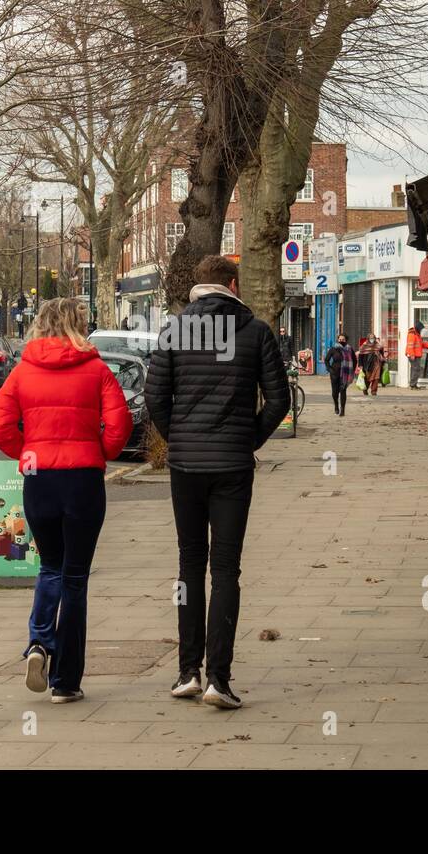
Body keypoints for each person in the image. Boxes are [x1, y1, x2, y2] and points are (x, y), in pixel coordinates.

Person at [145, 255, 290, 709]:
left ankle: (187, 672)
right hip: (232, 466)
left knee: (190, 564)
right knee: (226, 569)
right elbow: (279, 399)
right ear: (230, 284)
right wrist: (248, 439)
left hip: (186, 467)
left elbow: (154, 397)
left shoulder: (174, 330)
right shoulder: (255, 331)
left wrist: (179, 439)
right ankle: (218, 681)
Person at [0, 298, 131, 704]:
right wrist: (98, 452)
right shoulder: (97, 369)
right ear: (78, 325)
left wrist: (28, 451)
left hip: (40, 480)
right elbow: (120, 427)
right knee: (76, 576)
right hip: (83, 481)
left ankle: (38, 643)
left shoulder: (22, 372)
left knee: (49, 565)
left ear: (39, 325)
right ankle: (66, 681)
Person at [324, 332, 356, 416]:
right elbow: (326, 360)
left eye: (343, 339)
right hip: (335, 373)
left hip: (345, 374)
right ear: (337, 340)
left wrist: (352, 371)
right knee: (335, 392)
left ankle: (343, 410)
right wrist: (330, 369)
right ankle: (336, 406)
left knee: (343, 391)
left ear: (346, 340)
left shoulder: (349, 349)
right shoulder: (333, 349)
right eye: (340, 339)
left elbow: (354, 360)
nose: (341, 341)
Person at [405, 321, 428, 389]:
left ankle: (413, 384)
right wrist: (412, 355)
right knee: (416, 369)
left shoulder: (416, 334)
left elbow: (421, 344)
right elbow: (410, 346)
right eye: (420, 329)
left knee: (414, 369)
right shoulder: (412, 334)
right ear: (418, 328)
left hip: (415, 355)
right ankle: (413, 385)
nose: (421, 330)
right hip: (414, 355)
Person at [358, 331, 386, 396]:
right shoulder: (364, 346)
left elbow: (382, 354)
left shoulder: (378, 345)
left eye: (373, 338)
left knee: (376, 378)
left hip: (377, 364)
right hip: (367, 365)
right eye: (370, 338)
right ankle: (365, 389)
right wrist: (360, 365)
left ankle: (374, 391)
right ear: (368, 338)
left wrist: (383, 361)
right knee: (368, 378)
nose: (372, 339)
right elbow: (360, 356)